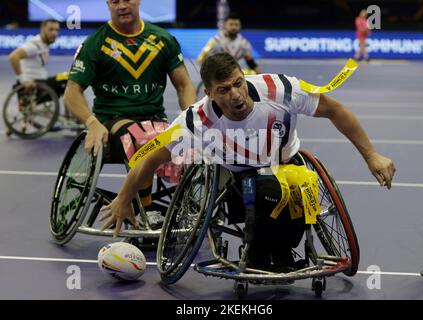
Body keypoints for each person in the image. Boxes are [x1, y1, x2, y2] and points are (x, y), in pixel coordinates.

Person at [99, 53, 396, 270]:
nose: (236, 95)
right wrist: (124, 197)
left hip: (288, 164)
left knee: (293, 194)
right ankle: (263, 254)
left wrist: (371, 154)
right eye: (224, 90)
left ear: (244, 76)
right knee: (266, 192)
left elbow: (334, 109)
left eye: (238, 83)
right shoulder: (196, 120)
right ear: (209, 94)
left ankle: (279, 252)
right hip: (238, 177)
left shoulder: (279, 88)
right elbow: (152, 157)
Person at [64, 0, 196, 218]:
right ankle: (146, 209)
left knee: (190, 140)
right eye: (115, 1)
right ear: (108, 4)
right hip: (113, 121)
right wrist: (91, 122)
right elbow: (72, 91)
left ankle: (191, 205)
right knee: (145, 139)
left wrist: (191, 116)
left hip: (155, 120)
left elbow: (184, 85)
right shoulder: (95, 43)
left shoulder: (162, 39)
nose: (122, 6)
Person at [9, 19, 70, 114]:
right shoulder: (34, 45)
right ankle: (74, 116)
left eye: (57, 30)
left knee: (69, 77)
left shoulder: (43, 45)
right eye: (51, 29)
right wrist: (23, 80)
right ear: (42, 29)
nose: (55, 33)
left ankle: (69, 115)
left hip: (42, 83)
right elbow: (13, 57)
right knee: (70, 78)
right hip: (35, 86)